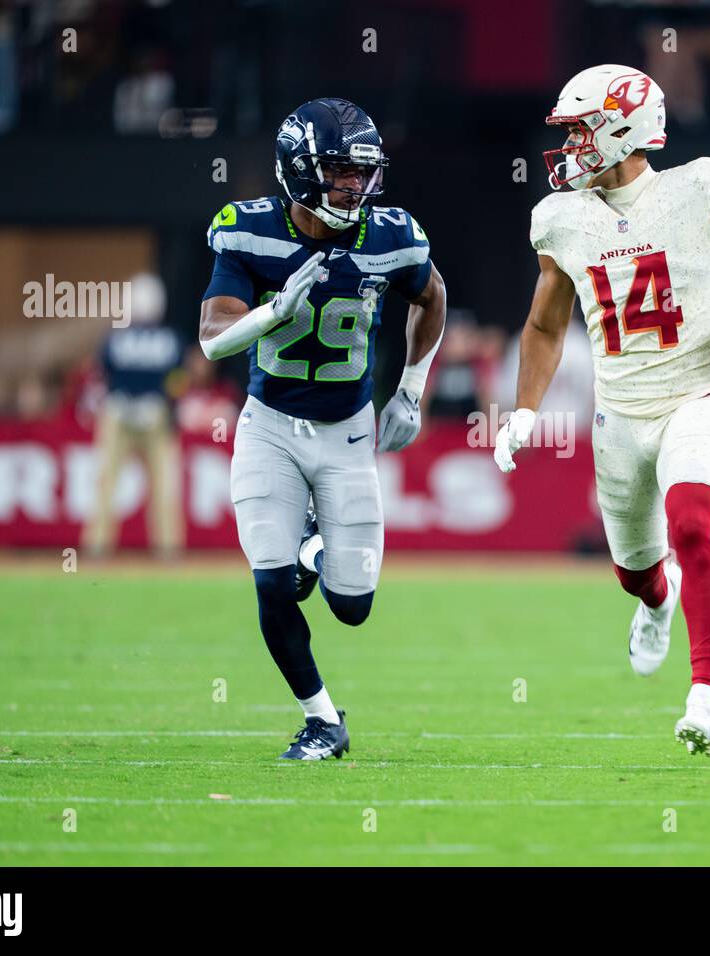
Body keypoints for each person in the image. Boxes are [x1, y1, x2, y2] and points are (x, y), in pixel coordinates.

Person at [493, 65, 710, 756]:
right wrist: (524, 411)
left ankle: (705, 693)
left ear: (623, 128)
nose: (572, 143)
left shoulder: (699, 189)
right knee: (635, 569)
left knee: (695, 523)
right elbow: (546, 327)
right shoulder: (561, 219)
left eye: (582, 128)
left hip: (697, 392)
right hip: (619, 414)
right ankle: (656, 599)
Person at [199, 99, 447, 762]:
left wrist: (413, 388)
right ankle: (322, 720)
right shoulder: (249, 231)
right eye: (340, 169)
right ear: (301, 170)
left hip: (346, 434)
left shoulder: (390, 236)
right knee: (271, 581)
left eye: (364, 171)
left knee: (352, 604)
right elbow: (214, 339)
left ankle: (315, 547)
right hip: (271, 427)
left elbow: (432, 295)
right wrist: (272, 313)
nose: (356, 186)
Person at [81, 273, 184, 560]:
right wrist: (169, 410)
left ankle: (97, 547)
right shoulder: (171, 339)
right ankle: (168, 549)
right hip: (155, 414)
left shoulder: (114, 338)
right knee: (163, 485)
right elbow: (178, 381)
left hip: (119, 412)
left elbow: (103, 374)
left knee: (107, 483)